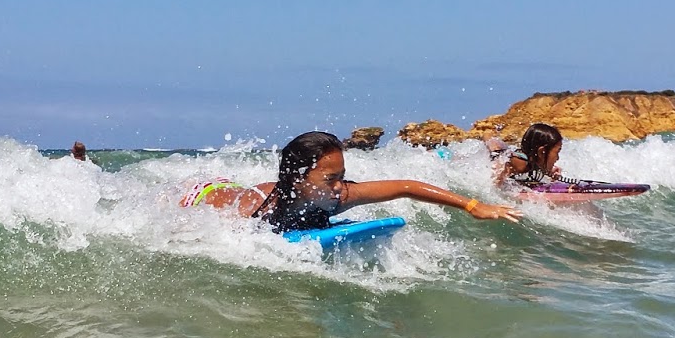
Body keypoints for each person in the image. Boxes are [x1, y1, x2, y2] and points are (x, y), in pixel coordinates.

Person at [182, 131, 521, 232]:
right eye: (330, 178)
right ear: (299, 177)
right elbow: (208, 230)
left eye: (341, 177)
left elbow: (405, 185)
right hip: (206, 194)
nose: (338, 185)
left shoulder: (338, 197)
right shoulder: (259, 205)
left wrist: (473, 205)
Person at [492, 122, 567, 188]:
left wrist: (549, 173)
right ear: (542, 152)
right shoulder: (519, 164)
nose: (557, 158)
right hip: (498, 156)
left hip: (512, 152)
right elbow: (493, 185)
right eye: (557, 152)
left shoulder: (535, 159)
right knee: (494, 148)